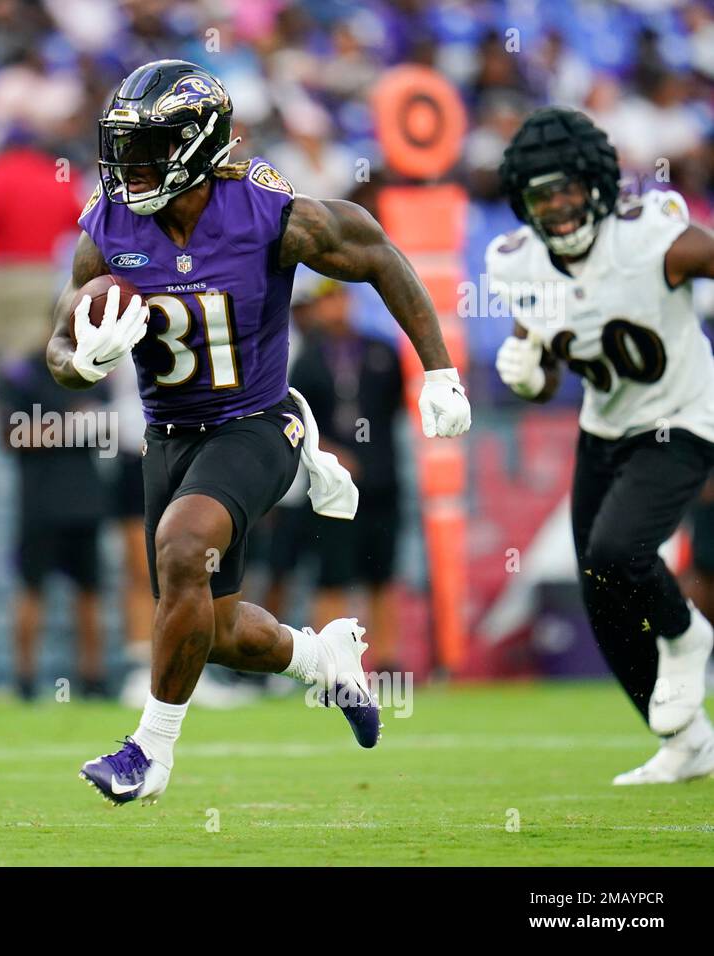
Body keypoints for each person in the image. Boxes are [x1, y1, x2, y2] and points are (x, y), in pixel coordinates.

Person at [45, 60, 470, 805]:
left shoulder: (266, 213)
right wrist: (82, 362)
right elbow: (57, 346)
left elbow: (377, 254)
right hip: (169, 438)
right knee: (212, 628)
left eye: (148, 147)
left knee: (184, 546)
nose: (129, 165)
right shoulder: (108, 227)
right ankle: (321, 659)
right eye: (123, 146)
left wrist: (438, 370)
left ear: (197, 145)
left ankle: (149, 752)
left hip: (257, 424)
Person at [491, 107, 714, 785]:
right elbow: (547, 367)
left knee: (617, 553)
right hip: (606, 428)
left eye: (566, 190)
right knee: (602, 592)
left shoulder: (648, 238)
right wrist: (529, 377)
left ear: (594, 185)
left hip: (682, 416)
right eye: (541, 197)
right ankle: (686, 744)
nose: (557, 207)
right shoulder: (517, 264)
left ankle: (686, 634)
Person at [288, 278, 405, 671]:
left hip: (381, 480)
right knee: (332, 574)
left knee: (382, 573)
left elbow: (393, 407)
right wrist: (331, 454)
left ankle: (386, 662)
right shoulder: (307, 359)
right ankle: (328, 664)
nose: (333, 307)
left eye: (338, 297)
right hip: (332, 487)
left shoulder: (380, 351)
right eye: (325, 300)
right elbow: (299, 421)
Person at [0, 341, 110, 701]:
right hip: (42, 501)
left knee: (88, 592)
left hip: (81, 499)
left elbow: (108, 428)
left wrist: (63, 428)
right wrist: (68, 427)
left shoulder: (94, 367)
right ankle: (25, 679)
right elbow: (11, 435)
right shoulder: (24, 372)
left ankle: (92, 678)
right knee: (32, 588)